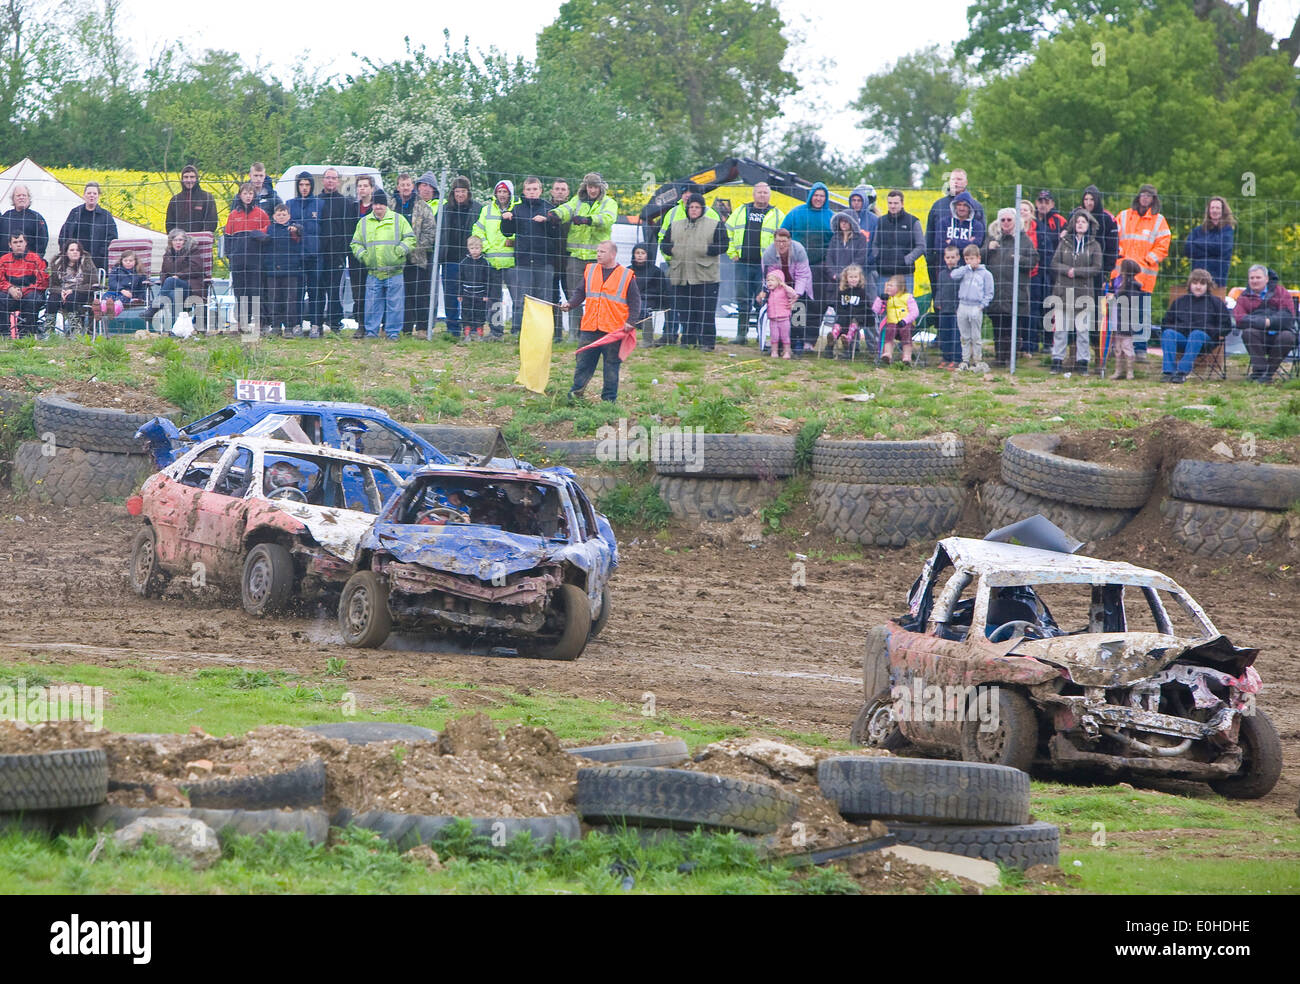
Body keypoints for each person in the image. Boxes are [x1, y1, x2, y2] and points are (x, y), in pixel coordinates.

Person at [562, 239, 639, 401]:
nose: (598, 254)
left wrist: (631, 322)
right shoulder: (590, 270)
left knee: (611, 367)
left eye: (602, 252)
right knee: (583, 364)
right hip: (590, 327)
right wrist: (570, 304)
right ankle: (575, 395)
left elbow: (635, 302)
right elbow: (580, 292)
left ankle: (609, 401)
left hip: (613, 330)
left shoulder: (626, 276)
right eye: (597, 251)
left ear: (613, 254)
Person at [550, 172, 618, 339]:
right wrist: (555, 214)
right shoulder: (577, 200)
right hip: (576, 257)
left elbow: (608, 219)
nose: (592, 190)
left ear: (601, 187)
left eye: (595, 187)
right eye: (590, 186)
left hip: (597, 259)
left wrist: (588, 220)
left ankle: (596, 332)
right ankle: (575, 334)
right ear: (585, 187)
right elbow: (566, 209)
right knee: (574, 297)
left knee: (598, 297)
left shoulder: (609, 203)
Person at [660, 192, 729, 350]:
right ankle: (688, 340)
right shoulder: (676, 225)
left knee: (705, 312)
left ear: (702, 209)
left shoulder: (715, 224)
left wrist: (706, 250)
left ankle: (707, 343)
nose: (694, 210)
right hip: (681, 275)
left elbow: (724, 245)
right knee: (685, 311)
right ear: (686, 208)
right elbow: (664, 244)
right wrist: (673, 250)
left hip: (706, 276)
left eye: (697, 207)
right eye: (691, 207)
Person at [1112, 184, 1170, 361]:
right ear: (1138, 197)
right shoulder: (1123, 216)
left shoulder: (1159, 220)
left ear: (1154, 199)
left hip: (1144, 276)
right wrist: (1121, 255)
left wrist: (1148, 260)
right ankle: (1118, 349)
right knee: (1119, 312)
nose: (1145, 198)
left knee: (1141, 313)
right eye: (1143, 195)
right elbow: (1113, 238)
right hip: (1121, 275)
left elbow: (1163, 245)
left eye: (1149, 195)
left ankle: (1140, 349)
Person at [350, 188, 415, 340]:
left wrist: (399, 251)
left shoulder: (399, 220)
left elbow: (410, 239)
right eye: (376, 204)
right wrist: (364, 257)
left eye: (381, 204)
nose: (378, 207)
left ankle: (393, 333)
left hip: (395, 271)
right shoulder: (364, 222)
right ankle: (371, 332)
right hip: (373, 272)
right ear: (372, 205)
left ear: (386, 205)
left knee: (395, 305)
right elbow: (355, 244)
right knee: (372, 305)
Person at [725, 181, 784, 344]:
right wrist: (732, 253)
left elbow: (784, 239)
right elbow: (727, 231)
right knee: (742, 300)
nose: (762, 195)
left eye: (765, 193)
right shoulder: (741, 211)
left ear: (770, 195)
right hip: (742, 263)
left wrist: (776, 260)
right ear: (753, 194)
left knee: (762, 301)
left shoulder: (777, 214)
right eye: (759, 192)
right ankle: (741, 335)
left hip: (765, 267)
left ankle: (761, 336)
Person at [500, 175, 557, 336]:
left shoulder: (549, 209)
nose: (532, 192)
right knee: (521, 298)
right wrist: (506, 219)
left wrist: (547, 221)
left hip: (544, 261)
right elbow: (507, 232)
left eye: (535, 189)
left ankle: (542, 332)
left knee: (543, 299)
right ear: (524, 192)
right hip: (523, 261)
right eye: (528, 189)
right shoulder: (517, 209)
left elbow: (556, 234)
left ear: (540, 190)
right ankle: (518, 331)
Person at [781, 182, 834, 348]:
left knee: (816, 304)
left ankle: (809, 340)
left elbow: (835, 241)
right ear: (811, 196)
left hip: (819, 267)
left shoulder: (830, 216)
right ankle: (795, 338)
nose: (818, 199)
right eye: (816, 195)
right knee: (798, 302)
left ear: (826, 198)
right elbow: (783, 233)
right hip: (797, 267)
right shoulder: (797, 213)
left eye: (822, 196)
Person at [1050, 207, 1102, 374]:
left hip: (1084, 294)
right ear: (1073, 224)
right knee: (1060, 329)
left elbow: (1096, 268)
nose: (1080, 224)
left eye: (1083, 222)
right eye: (1078, 222)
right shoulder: (1064, 243)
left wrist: (1077, 272)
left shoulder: (1094, 245)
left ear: (1089, 225)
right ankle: (1057, 361)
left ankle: (1083, 363)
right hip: (1063, 292)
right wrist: (1067, 270)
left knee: (1083, 331)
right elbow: (1054, 263)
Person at [1159, 268, 1232, 384]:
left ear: (1208, 286)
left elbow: (1227, 325)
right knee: (1168, 333)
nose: (1198, 287)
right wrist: (1176, 329)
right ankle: (1168, 372)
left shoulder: (1216, 302)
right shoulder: (1180, 301)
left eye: (1202, 283)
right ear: (1190, 284)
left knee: (1196, 334)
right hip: (1182, 339)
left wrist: (1215, 334)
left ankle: (1182, 372)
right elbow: (1166, 322)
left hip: (1205, 341)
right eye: (1195, 283)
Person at [984, 207, 1034, 367]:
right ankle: (999, 358)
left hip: (1015, 292)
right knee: (998, 327)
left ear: (1015, 221)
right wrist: (987, 249)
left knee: (1012, 328)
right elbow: (977, 257)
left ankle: (1011, 358)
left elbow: (1034, 261)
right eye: (1002, 220)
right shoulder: (992, 239)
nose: (1005, 223)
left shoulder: (1024, 240)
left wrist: (1020, 259)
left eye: (1009, 220)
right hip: (996, 292)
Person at [1234, 263, 1297, 383]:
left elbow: (1288, 316)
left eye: (1258, 277)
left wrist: (1270, 322)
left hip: (1279, 336)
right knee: (1248, 332)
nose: (1254, 281)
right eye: (1252, 278)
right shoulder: (1244, 297)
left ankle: (1268, 374)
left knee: (1288, 336)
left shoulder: (1281, 292)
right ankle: (1260, 371)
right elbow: (1239, 319)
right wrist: (1263, 322)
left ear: (1266, 279)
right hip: (1258, 338)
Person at [389, 172, 436, 335]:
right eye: (402, 185)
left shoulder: (423, 206)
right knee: (401, 294)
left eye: (408, 185)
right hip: (395, 258)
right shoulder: (391, 205)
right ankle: (405, 328)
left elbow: (430, 232)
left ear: (412, 186)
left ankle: (422, 328)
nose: (405, 188)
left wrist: (413, 246)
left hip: (417, 257)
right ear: (398, 187)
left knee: (420, 293)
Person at [474, 180, 518, 339]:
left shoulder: (517, 209)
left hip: (512, 262)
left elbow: (523, 230)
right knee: (494, 300)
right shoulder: (486, 210)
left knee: (517, 299)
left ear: (510, 193)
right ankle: (496, 331)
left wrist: (514, 240)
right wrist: (486, 246)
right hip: (492, 262)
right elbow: (478, 231)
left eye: (505, 192)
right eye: (499, 192)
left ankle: (517, 331)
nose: (502, 195)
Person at [438, 176, 481, 339]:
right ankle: (452, 328)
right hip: (449, 258)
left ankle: (470, 326)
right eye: (457, 191)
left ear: (468, 192)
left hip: (470, 260)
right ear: (452, 193)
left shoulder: (477, 208)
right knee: (450, 295)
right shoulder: (445, 209)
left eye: (463, 191)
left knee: (471, 296)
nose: (460, 194)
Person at [759, 228, 813, 353]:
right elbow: (768, 276)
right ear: (774, 241)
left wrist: (796, 294)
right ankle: (777, 343)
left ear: (790, 241)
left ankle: (797, 342)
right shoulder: (768, 253)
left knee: (799, 308)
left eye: (784, 241)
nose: (781, 245)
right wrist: (771, 290)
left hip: (798, 282)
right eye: (778, 241)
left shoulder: (799, 250)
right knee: (777, 312)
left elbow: (802, 274)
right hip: (778, 285)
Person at [925, 168, 986, 277]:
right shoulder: (938, 205)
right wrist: (929, 257)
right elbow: (931, 233)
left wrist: (951, 241)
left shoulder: (977, 206)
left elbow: (979, 239)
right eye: (953, 179)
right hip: (942, 263)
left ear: (966, 182)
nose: (956, 182)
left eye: (959, 179)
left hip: (968, 264)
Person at [224, 182, 269, 323]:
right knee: (240, 292)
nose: (248, 196)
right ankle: (243, 322)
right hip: (238, 261)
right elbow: (228, 238)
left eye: (250, 193)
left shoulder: (261, 214)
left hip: (256, 261)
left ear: (254, 195)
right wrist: (230, 256)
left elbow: (268, 234)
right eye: (245, 193)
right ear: (240, 195)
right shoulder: (233, 215)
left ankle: (261, 322)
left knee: (256, 291)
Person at [316, 168, 355, 331]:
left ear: (338, 181)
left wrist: (344, 252)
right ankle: (316, 322)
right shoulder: (317, 201)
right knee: (318, 289)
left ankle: (334, 322)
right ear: (323, 180)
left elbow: (348, 229)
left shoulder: (345, 203)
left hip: (337, 254)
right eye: (327, 178)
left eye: (333, 178)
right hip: (319, 254)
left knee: (334, 290)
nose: (330, 181)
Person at [1029, 190, 1066, 357]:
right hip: (1035, 270)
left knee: (1050, 306)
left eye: (1047, 201)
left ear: (1052, 204)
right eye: (1040, 201)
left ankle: (1048, 340)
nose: (1043, 204)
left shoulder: (1059, 221)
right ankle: (1032, 340)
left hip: (1053, 271)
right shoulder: (1031, 220)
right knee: (1033, 306)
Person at [949, 245, 994, 371]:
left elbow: (989, 292)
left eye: (972, 258)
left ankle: (978, 359)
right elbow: (953, 275)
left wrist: (982, 305)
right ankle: (965, 360)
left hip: (976, 306)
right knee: (964, 336)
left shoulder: (986, 274)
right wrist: (966, 267)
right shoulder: (964, 271)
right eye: (967, 259)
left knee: (976, 336)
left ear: (979, 258)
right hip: (963, 305)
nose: (970, 262)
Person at [871, 189, 925, 295]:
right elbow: (875, 243)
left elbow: (921, 246)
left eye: (896, 203)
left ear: (902, 203)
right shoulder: (881, 221)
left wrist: (906, 260)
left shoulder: (913, 222)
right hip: (883, 273)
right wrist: (878, 257)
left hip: (905, 274)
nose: (892, 206)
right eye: (890, 203)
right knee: (883, 307)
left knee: (904, 306)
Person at [287, 171, 322, 334]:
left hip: (315, 256)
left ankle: (316, 324)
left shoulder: (319, 204)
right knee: (297, 292)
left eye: (307, 184)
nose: (304, 188)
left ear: (312, 186)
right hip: (296, 256)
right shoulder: (290, 204)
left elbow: (324, 230)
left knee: (315, 291)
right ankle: (296, 325)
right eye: (301, 184)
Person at [263, 203, 305, 336]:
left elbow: (300, 231)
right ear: (274, 216)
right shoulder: (269, 229)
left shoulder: (293, 229)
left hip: (291, 270)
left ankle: (288, 327)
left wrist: (296, 229)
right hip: (272, 270)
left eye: (284, 214)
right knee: (274, 298)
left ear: (289, 216)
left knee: (289, 299)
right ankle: (275, 326)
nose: (281, 217)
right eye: (278, 214)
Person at [824, 210, 869, 328]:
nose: (843, 224)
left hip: (852, 283)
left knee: (854, 314)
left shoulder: (860, 239)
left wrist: (847, 275)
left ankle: (854, 344)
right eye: (841, 221)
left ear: (852, 222)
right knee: (839, 313)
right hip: (835, 283)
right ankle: (835, 338)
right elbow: (829, 258)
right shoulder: (835, 238)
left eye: (846, 221)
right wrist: (834, 274)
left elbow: (860, 258)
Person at [59, 182, 118, 271]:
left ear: (98, 196)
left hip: (97, 261)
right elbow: (64, 233)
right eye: (89, 193)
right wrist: (66, 251)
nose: (92, 196)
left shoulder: (106, 216)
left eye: (95, 193)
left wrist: (102, 254)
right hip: (74, 260)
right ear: (84, 195)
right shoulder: (75, 212)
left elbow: (112, 238)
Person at [43, 240, 98, 335]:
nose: (75, 252)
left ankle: (75, 329)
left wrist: (72, 290)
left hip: (82, 292)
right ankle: (49, 332)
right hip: (62, 292)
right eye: (72, 250)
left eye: (77, 250)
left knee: (71, 298)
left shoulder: (87, 263)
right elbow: (52, 285)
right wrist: (61, 291)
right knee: (52, 300)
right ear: (66, 252)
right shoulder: (58, 265)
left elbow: (93, 283)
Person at [0, 232, 48, 337]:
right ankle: (4, 336)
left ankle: (27, 335)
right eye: (15, 242)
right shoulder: (3, 260)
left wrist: (23, 290)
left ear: (26, 243)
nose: (18, 245)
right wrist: (10, 288)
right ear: (10, 245)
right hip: (10, 295)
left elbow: (43, 282)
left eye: (21, 241)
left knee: (32, 299)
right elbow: (0, 280)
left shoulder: (35, 259)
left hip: (30, 295)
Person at [1183, 197, 1235, 291]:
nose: (1214, 210)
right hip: (1197, 277)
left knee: (1215, 304)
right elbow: (1188, 249)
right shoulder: (1198, 230)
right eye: (1212, 208)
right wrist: (1212, 252)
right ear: (1208, 210)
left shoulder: (1227, 230)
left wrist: (1198, 244)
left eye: (1217, 208)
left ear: (1223, 211)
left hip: (1218, 278)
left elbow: (1220, 249)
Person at [1108, 259, 1147, 380]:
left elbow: (1129, 302)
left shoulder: (1133, 286)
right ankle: (1118, 370)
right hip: (1117, 319)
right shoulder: (1119, 283)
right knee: (1118, 347)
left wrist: (1115, 297)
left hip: (1126, 321)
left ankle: (1130, 371)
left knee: (1127, 346)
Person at [347, 174, 376, 330]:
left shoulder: (377, 207)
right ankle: (361, 324)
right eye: (360, 186)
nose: (362, 189)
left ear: (371, 188)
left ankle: (373, 323)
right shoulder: (352, 207)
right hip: (355, 256)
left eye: (365, 186)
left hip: (373, 255)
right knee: (357, 290)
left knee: (373, 290)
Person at [873, 274, 921, 366]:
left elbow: (915, 312)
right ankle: (887, 354)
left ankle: (907, 357)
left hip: (906, 323)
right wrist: (880, 299)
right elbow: (876, 311)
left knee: (905, 331)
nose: (888, 288)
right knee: (890, 329)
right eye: (887, 285)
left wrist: (905, 320)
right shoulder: (887, 299)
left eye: (891, 286)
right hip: (892, 323)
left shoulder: (908, 297)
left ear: (900, 287)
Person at [158, 228, 205, 320]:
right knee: (173, 294)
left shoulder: (192, 251)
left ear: (185, 241)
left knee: (171, 280)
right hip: (173, 288)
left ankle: (154, 308)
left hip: (190, 286)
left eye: (180, 240)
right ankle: (176, 327)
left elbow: (196, 268)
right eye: (175, 240)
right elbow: (163, 272)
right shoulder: (167, 255)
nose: (178, 242)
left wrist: (179, 276)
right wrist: (164, 282)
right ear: (171, 242)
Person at [546, 178, 571, 339]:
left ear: (568, 192)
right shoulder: (545, 208)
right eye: (557, 188)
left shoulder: (574, 208)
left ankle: (578, 332)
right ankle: (556, 333)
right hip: (549, 259)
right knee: (552, 297)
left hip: (569, 259)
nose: (560, 191)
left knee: (573, 296)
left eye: (563, 189)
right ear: (551, 191)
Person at [1080, 185, 1117, 294]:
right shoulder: (1077, 216)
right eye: (1086, 199)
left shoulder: (1108, 219)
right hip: (1079, 267)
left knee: (1099, 304)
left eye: (1092, 199)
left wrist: (1107, 272)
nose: (1089, 203)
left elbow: (1113, 247)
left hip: (1099, 268)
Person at [828, 264, 870, 358]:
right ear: (846, 278)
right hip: (844, 315)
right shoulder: (842, 291)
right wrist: (842, 312)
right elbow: (838, 305)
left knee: (853, 322)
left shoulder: (862, 292)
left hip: (857, 317)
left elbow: (865, 306)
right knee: (839, 322)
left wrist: (856, 313)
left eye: (855, 277)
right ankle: (832, 339)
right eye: (851, 277)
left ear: (860, 278)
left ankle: (847, 340)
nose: (853, 279)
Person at [630, 244, 669, 344]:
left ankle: (647, 340)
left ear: (648, 255)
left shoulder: (656, 271)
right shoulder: (627, 270)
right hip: (630, 299)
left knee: (642, 307)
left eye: (643, 253)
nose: (639, 255)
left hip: (650, 300)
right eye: (637, 253)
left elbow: (660, 290)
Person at [165, 165, 218, 235]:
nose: (189, 180)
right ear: (182, 179)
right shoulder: (175, 199)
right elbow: (169, 224)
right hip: (180, 242)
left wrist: (200, 236)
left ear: (197, 179)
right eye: (186, 177)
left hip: (202, 240)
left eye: (192, 177)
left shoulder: (207, 197)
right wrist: (178, 239)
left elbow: (211, 222)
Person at [1, 185, 49, 261]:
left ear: (28, 198)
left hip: (28, 264)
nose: (21, 197)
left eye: (24, 195)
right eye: (18, 195)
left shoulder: (36, 218)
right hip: (6, 263)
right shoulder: (6, 216)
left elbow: (42, 243)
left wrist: (35, 260)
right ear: (13, 198)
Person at [932, 244, 962, 367]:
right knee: (944, 334)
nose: (950, 260)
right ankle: (945, 357)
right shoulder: (942, 273)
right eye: (948, 257)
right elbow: (939, 289)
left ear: (958, 258)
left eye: (952, 257)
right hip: (944, 309)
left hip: (956, 309)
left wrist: (958, 306)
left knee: (956, 335)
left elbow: (961, 291)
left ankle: (956, 359)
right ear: (944, 258)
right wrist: (937, 302)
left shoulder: (961, 273)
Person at [457, 235, 492, 339]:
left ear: (481, 248)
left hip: (480, 294)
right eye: (472, 248)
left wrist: (486, 294)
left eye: (477, 248)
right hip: (467, 293)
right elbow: (460, 280)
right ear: (468, 248)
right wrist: (459, 293)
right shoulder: (463, 263)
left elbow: (488, 280)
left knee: (479, 313)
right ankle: (467, 333)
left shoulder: (485, 263)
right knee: (466, 313)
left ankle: (479, 333)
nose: (475, 251)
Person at [99, 249, 147, 319]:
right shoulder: (116, 270)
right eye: (125, 260)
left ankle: (113, 311)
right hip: (114, 291)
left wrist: (140, 298)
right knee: (106, 296)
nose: (128, 262)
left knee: (121, 300)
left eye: (130, 261)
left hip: (128, 295)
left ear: (135, 262)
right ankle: (103, 309)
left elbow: (142, 287)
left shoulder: (139, 273)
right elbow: (112, 282)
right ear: (121, 261)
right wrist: (121, 290)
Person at [763, 269, 798, 359]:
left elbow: (794, 294)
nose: (769, 282)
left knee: (785, 336)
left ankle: (787, 351)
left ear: (779, 281)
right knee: (774, 336)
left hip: (784, 318)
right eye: (768, 280)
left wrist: (785, 286)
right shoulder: (769, 292)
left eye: (772, 280)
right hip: (773, 319)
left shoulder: (784, 290)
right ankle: (774, 351)